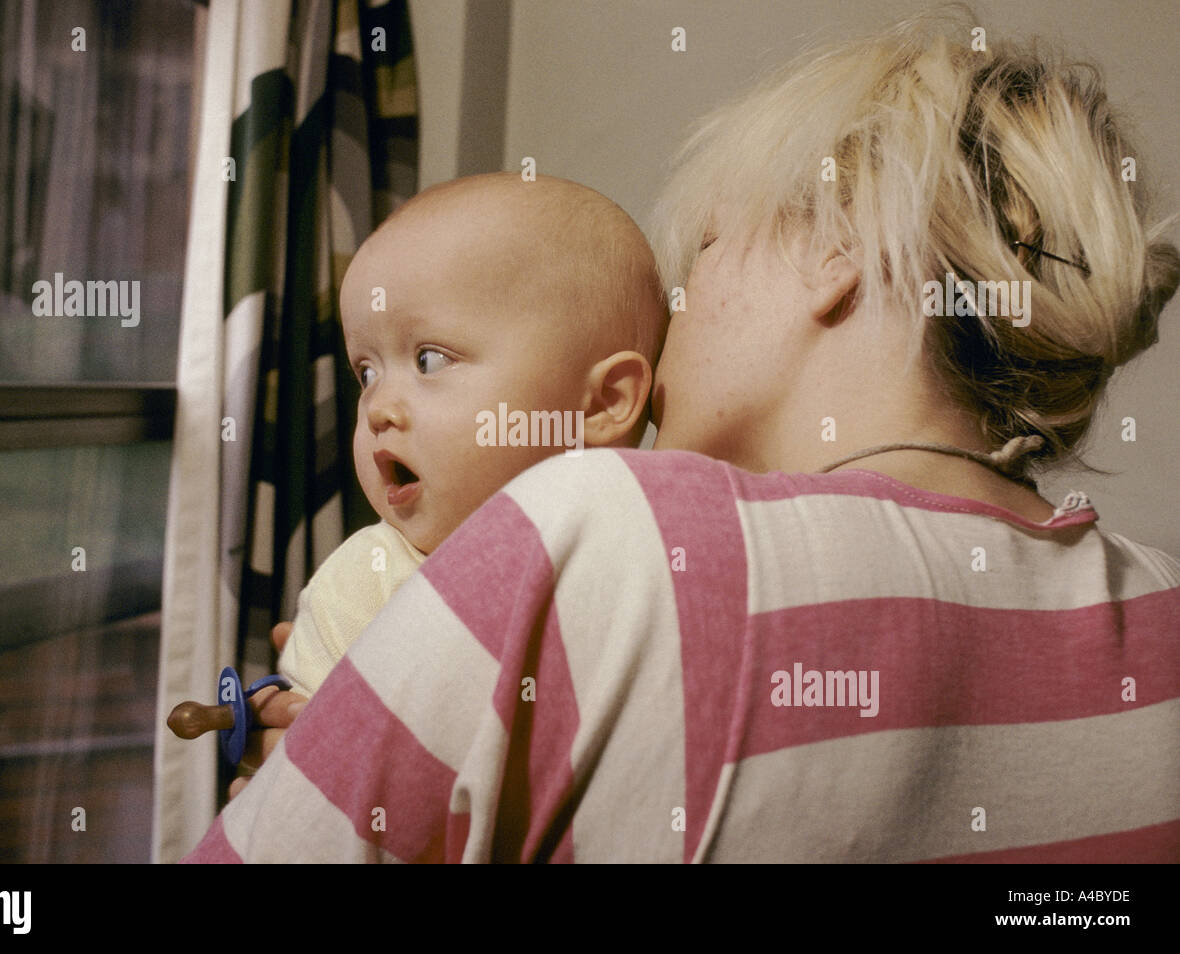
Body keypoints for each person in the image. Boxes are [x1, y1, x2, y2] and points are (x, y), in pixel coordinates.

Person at [184, 14, 1180, 863]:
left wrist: (329, 767)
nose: (672, 309)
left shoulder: (613, 533)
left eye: (700, 251)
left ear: (836, 251)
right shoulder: (1162, 599)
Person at [266, 173, 667, 701]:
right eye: (366, 372)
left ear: (601, 403)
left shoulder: (647, 563)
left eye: (429, 360)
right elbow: (300, 772)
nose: (377, 409)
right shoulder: (363, 586)